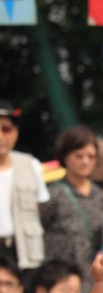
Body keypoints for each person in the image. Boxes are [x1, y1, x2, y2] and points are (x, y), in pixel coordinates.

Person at [40, 126, 103, 275]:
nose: (85, 161)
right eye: (78, 155)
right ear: (64, 156)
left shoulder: (98, 193)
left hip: (89, 273)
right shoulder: (54, 193)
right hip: (58, 273)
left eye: (91, 156)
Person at [0, 100, 48, 269]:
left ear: (15, 132)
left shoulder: (31, 165)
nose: (0, 136)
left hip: (23, 252)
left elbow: (41, 209)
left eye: (6, 130)